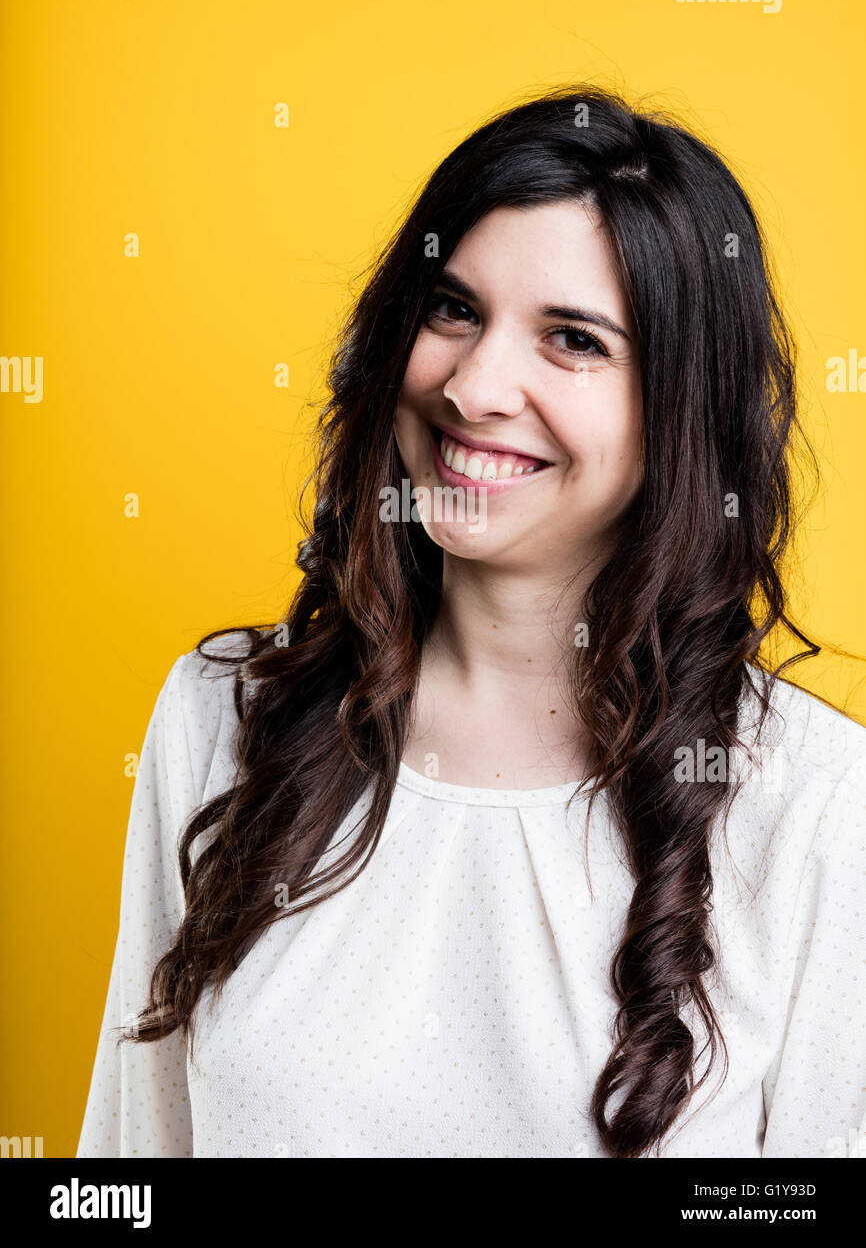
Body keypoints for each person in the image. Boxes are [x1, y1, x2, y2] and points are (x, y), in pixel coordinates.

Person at [77, 86, 866, 1159]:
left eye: (574, 340)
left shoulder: (814, 806)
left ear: (679, 406)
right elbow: (136, 1155)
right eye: (452, 309)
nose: (477, 384)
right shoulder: (220, 719)